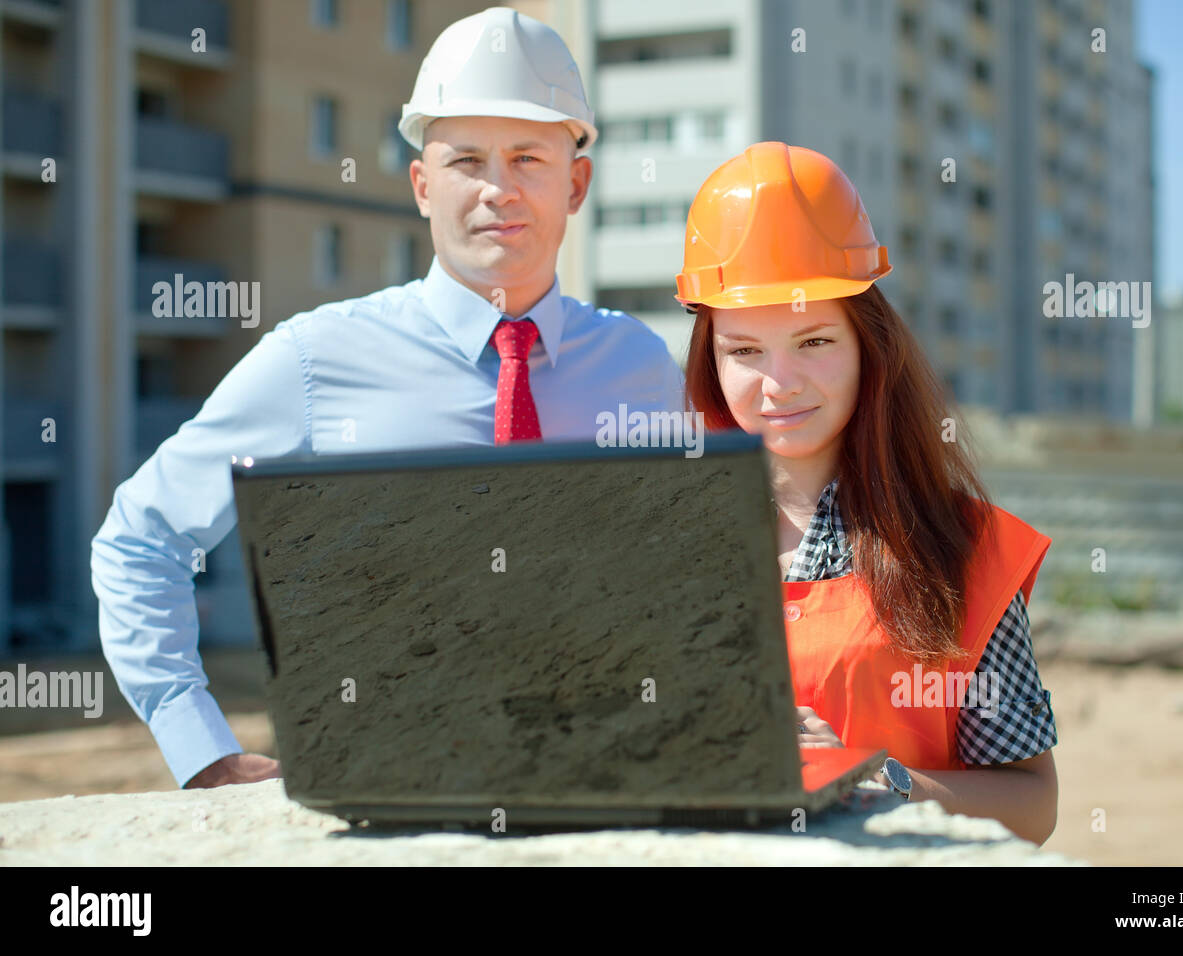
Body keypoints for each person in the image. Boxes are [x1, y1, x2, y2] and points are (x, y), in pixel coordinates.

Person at [90, 8, 683, 791]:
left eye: (528, 158)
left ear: (576, 183)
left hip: (607, 782)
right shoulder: (315, 360)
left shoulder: (639, 367)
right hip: (391, 795)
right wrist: (198, 747)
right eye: (466, 159)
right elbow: (140, 538)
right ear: (421, 184)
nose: (497, 190)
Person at [675, 142, 1059, 845]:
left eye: (814, 341)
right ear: (712, 361)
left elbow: (1032, 805)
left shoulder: (963, 550)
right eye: (745, 350)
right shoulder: (662, 548)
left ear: (867, 347)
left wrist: (878, 782)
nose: (780, 382)